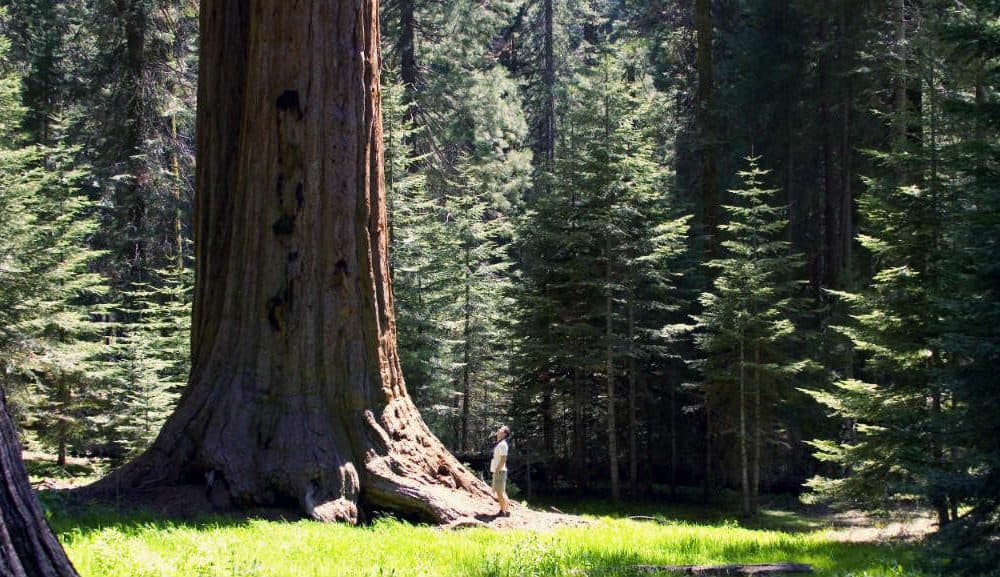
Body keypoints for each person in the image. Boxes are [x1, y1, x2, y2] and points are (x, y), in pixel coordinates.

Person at [490, 425, 511, 517]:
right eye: (499, 429)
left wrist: (497, 470)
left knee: (499, 492)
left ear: (505, 434)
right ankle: (506, 509)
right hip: (499, 470)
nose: (498, 430)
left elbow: (503, 459)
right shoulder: (500, 443)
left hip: (500, 470)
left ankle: (503, 512)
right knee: (501, 491)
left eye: (501, 430)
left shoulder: (502, 444)